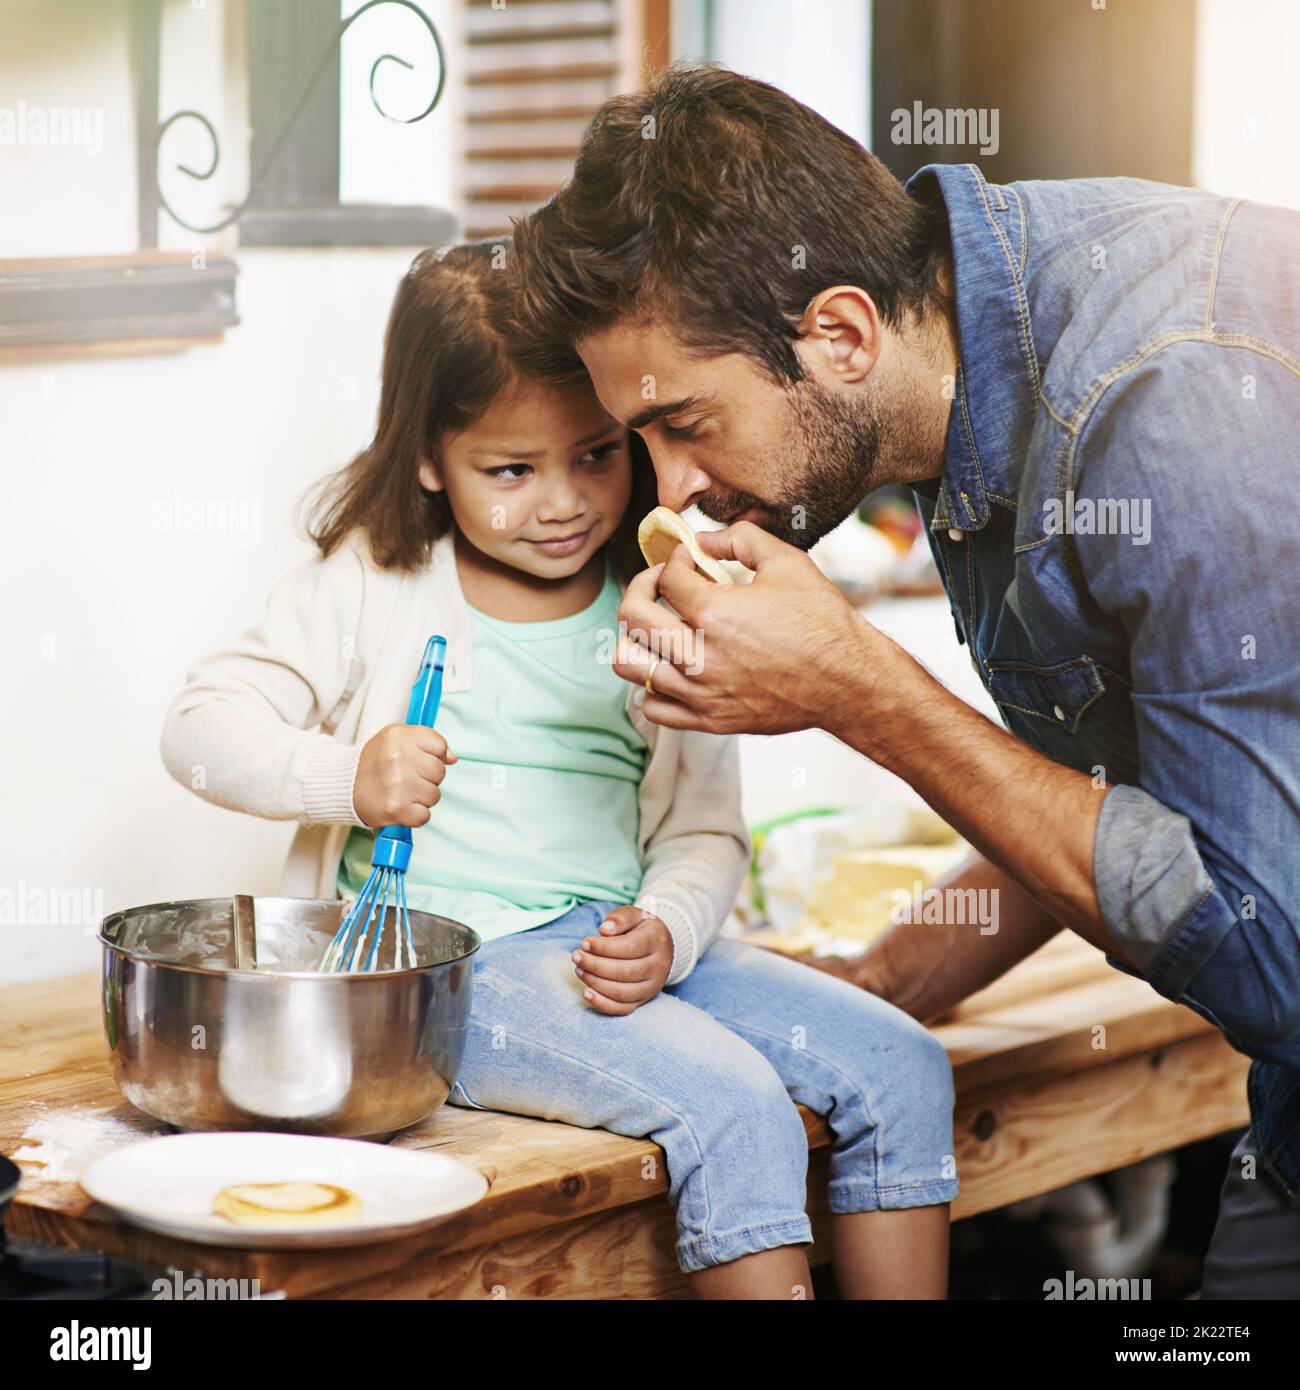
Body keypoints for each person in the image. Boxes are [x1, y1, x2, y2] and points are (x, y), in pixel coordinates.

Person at [509, 62, 1300, 1296]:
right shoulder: (966, 374)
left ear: (837, 333)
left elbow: (1268, 949)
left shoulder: (1161, 394)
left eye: (685, 421)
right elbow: (1122, 777)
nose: (668, 491)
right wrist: (888, 978)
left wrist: (856, 684)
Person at [160, 240, 957, 1299]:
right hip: (456, 974)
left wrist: (668, 927)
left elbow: (702, 833)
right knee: (734, 1104)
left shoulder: (667, 599)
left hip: (622, 944)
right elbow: (200, 728)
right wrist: (345, 775)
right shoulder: (374, 585)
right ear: (428, 458)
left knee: (904, 1067)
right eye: (510, 470)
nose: (564, 501)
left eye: (595, 455)